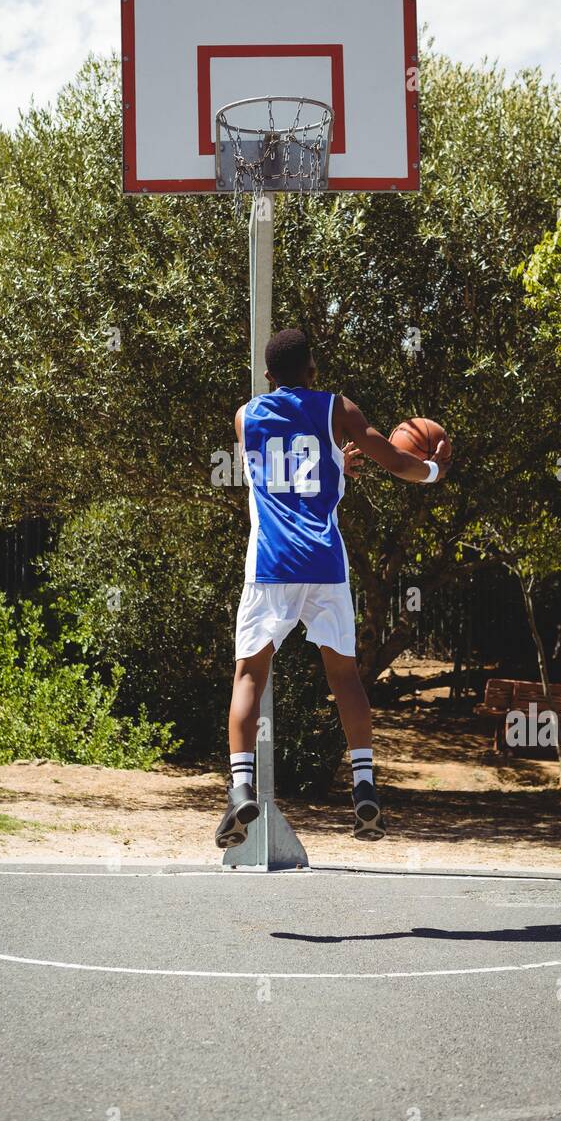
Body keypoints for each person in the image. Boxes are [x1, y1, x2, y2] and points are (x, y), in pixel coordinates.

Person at [216, 328, 451, 850]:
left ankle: (240, 788)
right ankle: (365, 785)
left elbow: (275, 471)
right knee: (343, 674)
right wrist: (433, 470)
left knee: (250, 673)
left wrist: (330, 466)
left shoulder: (244, 416)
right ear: (314, 370)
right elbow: (393, 459)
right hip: (324, 561)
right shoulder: (339, 408)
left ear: (268, 375)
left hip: (271, 562)